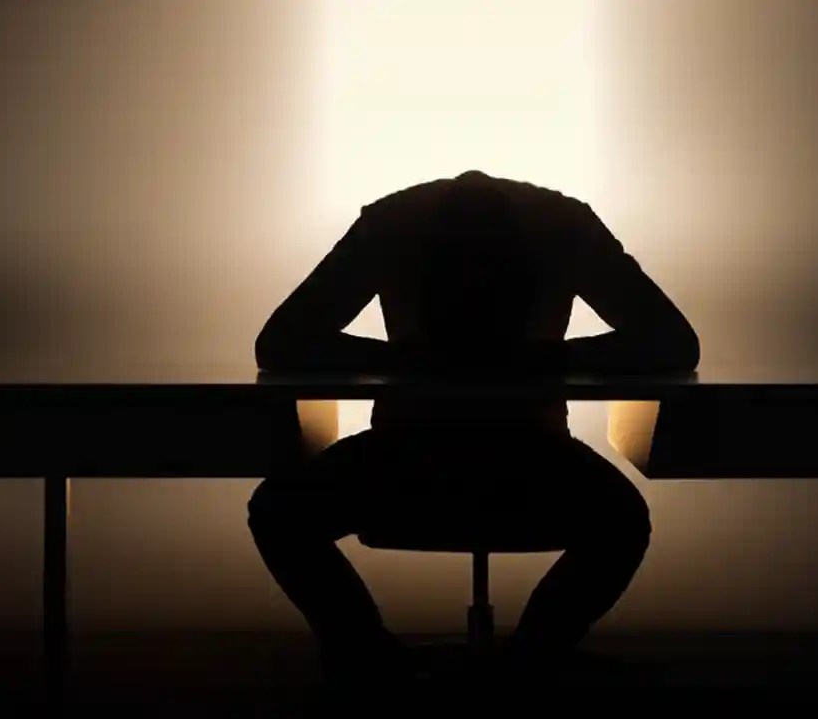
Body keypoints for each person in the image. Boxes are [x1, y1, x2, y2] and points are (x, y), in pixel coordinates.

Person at [248, 169, 699, 681]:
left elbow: (284, 341)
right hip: (526, 454)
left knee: (279, 511)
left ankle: (374, 663)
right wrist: (538, 361)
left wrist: (412, 362)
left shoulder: (393, 222)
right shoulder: (562, 224)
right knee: (622, 520)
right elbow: (671, 341)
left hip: (412, 452)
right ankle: (528, 663)